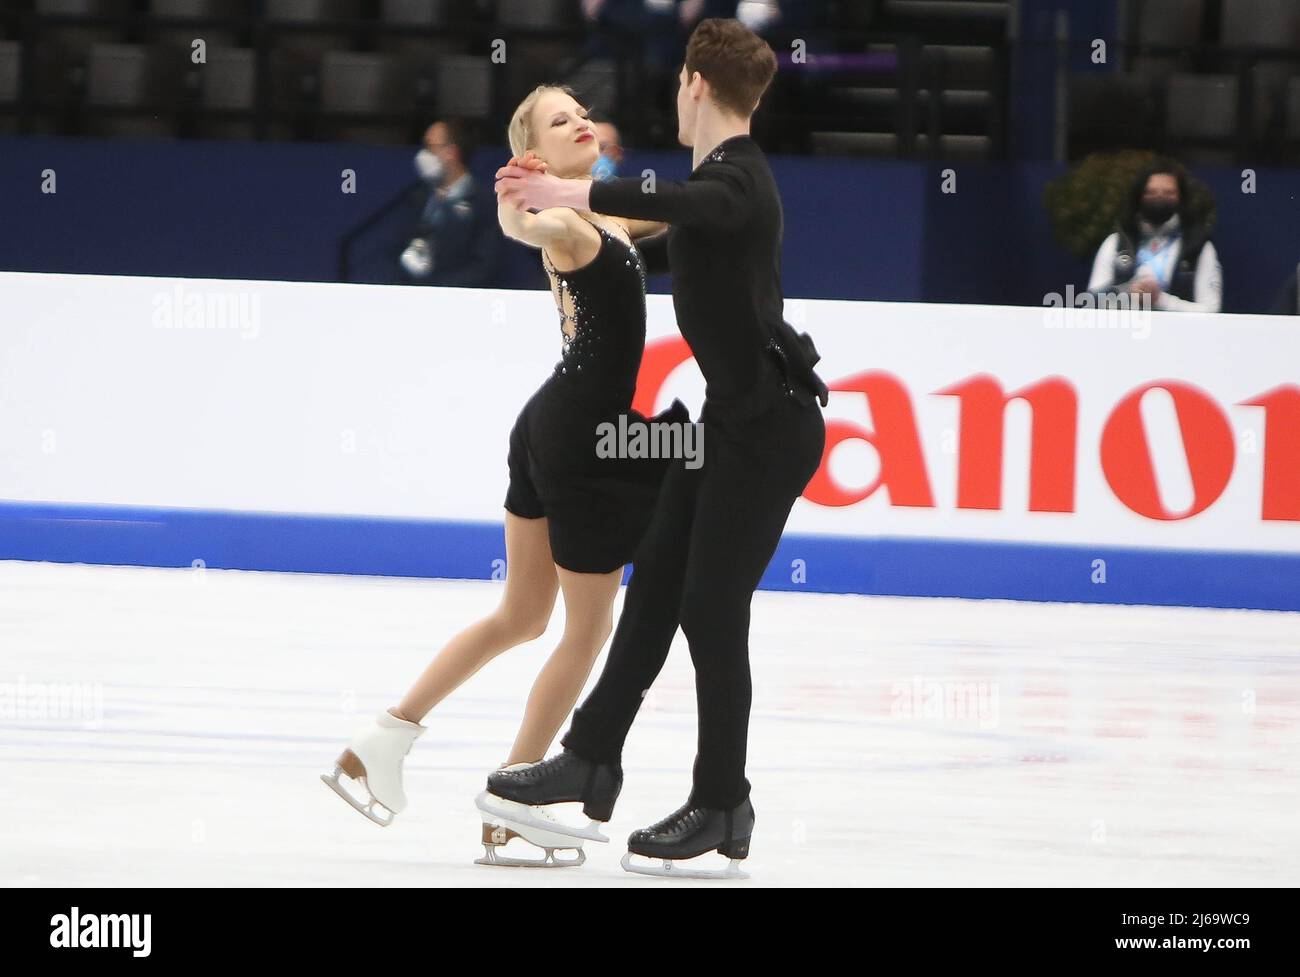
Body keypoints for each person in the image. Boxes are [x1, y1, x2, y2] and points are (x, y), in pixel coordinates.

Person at [487, 17, 829, 879]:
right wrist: (541, 207)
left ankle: (723, 801)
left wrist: (577, 194)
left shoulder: (737, 180)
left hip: (769, 431)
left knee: (711, 610)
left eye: (679, 81)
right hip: (725, 426)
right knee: (653, 595)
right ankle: (591, 754)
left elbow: (681, 205)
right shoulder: (716, 184)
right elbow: (650, 231)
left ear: (696, 86)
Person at [322, 85, 688, 868]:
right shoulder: (565, 224)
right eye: (562, 121)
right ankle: (517, 801)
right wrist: (516, 198)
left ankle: (382, 738)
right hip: (582, 440)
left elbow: (678, 213)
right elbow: (525, 224)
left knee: (522, 616)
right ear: (535, 155)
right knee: (584, 631)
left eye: (582, 109)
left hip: (546, 426)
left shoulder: (607, 217)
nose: (582, 119)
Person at [1087, 159, 1223, 313]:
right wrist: (1127, 293)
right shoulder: (1117, 243)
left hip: (1179, 336)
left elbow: (1211, 310)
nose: (1159, 198)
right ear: (1139, 197)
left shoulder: (1197, 247)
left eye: (1168, 193)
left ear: (1181, 198)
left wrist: (1160, 300)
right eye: (1151, 192)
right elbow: (1091, 301)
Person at [399, 119, 499, 288]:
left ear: (451, 152)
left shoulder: (484, 203)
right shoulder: (417, 198)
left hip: (460, 300)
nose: (424, 155)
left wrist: (438, 290)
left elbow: (484, 264)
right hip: (412, 298)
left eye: (430, 146)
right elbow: (395, 249)